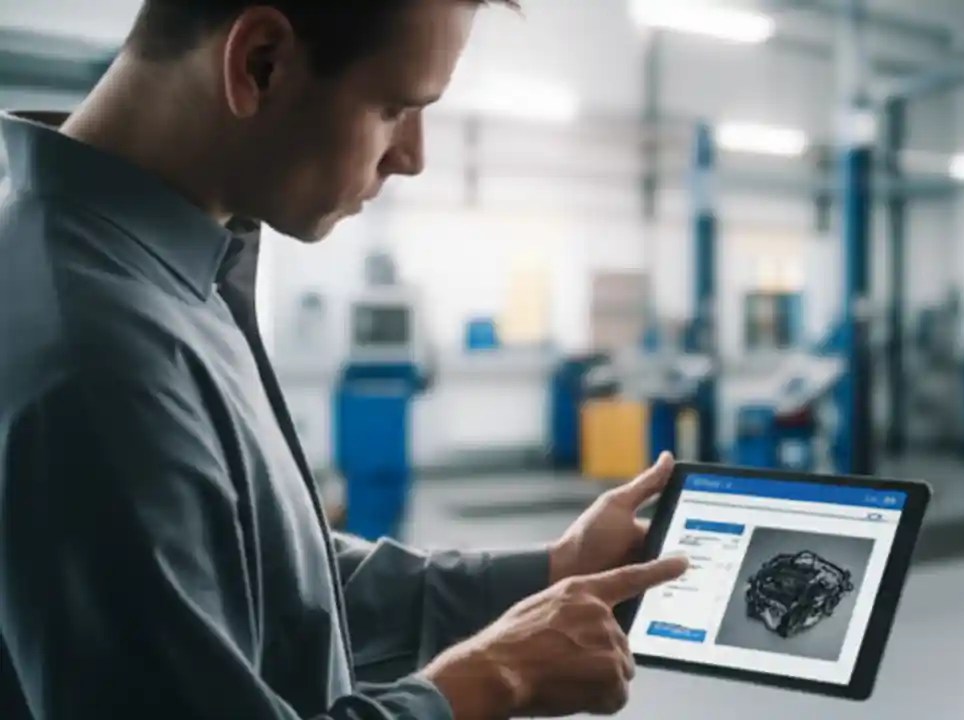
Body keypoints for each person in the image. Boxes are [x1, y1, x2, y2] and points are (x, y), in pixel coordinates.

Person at [0, 1, 689, 719]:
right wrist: (482, 685)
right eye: (395, 108)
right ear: (259, 63)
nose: (413, 157)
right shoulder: (95, 360)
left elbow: (273, 588)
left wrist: (550, 570)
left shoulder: (151, 276)